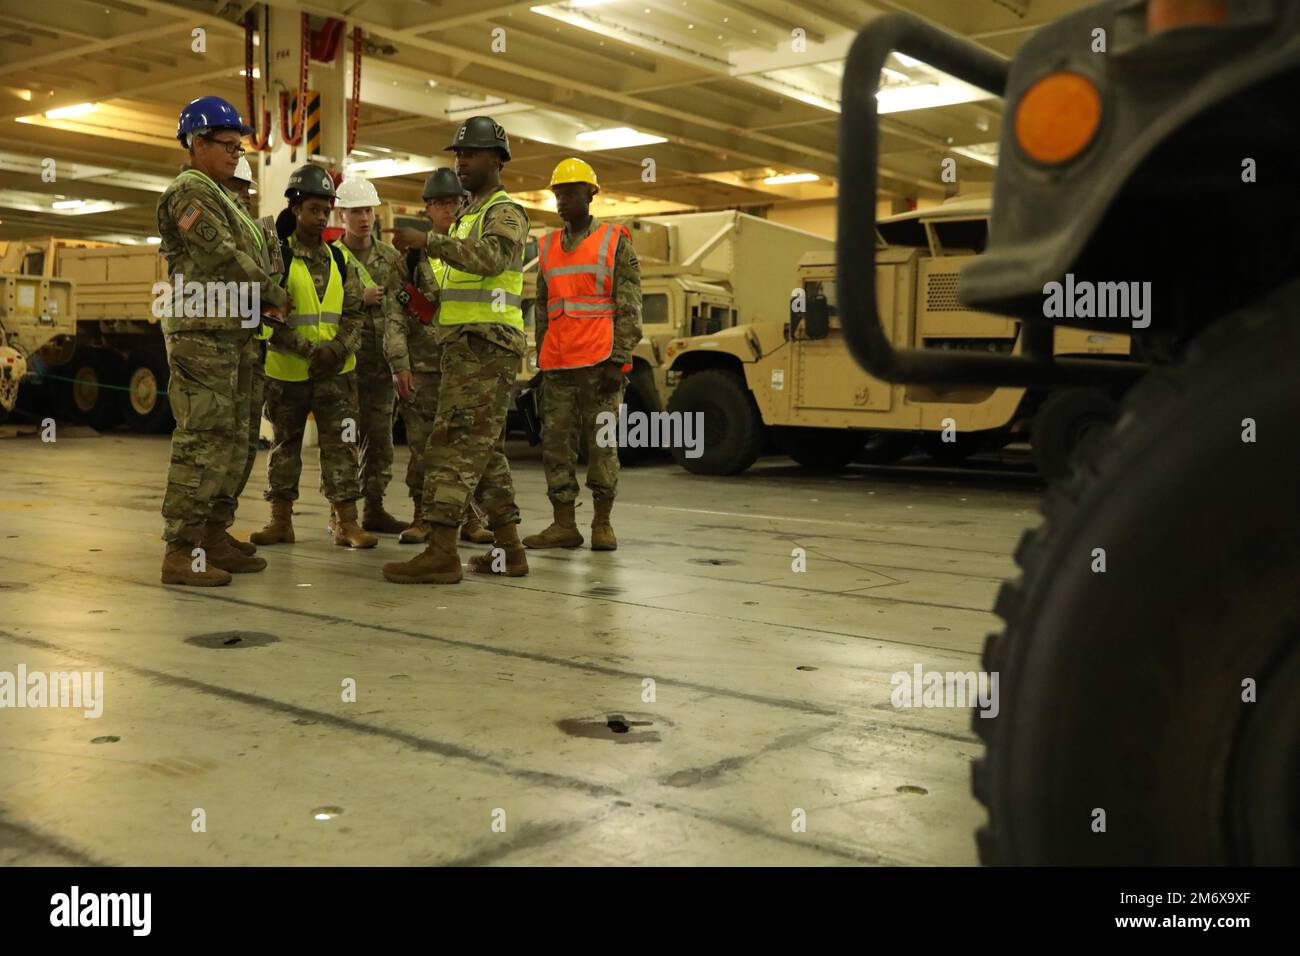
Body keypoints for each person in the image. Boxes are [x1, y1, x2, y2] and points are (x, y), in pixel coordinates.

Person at [382, 116, 529, 584]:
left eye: (471, 153)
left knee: (450, 445)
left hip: (488, 344)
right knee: (481, 451)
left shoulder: (503, 212)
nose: (461, 161)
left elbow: (493, 259)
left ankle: (442, 550)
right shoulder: (468, 216)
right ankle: (511, 550)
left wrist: (432, 242)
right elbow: (456, 294)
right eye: (458, 154)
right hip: (464, 345)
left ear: (498, 160)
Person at [157, 95, 288, 586]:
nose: (236, 153)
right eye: (227, 144)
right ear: (197, 143)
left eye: (239, 145)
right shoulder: (188, 193)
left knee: (236, 441)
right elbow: (222, 256)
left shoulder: (226, 197)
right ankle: (180, 549)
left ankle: (212, 535)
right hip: (202, 339)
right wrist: (273, 294)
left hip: (236, 338)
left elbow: (247, 256)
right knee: (202, 441)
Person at [248, 164, 377, 549]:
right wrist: (309, 351)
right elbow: (266, 316)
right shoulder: (278, 261)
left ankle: (346, 523)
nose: (320, 217)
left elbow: (355, 312)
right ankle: (279, 521)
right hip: (288, 373)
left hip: (337, 374)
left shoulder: (339, 260)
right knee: (285, 446)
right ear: (295, 209)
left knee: (341, 445)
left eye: (325, 210)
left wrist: (336, 349)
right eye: (313, 209)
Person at [524, 158, 641, 552]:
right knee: (555, 446)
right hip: (558, 367)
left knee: (603, 448)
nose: (561, 201)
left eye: (570, 193)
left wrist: (618, 359)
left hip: (599, 365)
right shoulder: (547, 246)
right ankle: (563, 525)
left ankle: (602, 525)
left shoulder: (614, 240)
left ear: (590, 195)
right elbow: (543, 307)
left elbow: (629, 305)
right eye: (557, 194)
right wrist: (541, 360)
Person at [388, 168, 494, 547]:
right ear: (427, 209)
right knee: (423, 448)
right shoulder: (412, 259)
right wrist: (399, 363)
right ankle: (423, 515)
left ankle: (471, 517)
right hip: (425, 368)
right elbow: (395, 315)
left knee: (466, 446)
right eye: (440, 204)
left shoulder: (470, 252)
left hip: (466, 365)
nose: (448, 210)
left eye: (454, 202)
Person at [331, 175, 410, 535]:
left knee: (380, 440)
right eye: (355, 211)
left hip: (380, 367)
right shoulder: (331, 258)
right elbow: (318, 307)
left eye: (368, 210)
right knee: (343, 440)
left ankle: (374, 508)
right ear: (341, 215)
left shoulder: (391, 258)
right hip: (344, 367)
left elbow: (401, 312)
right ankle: (341, 513)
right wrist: (355, 299)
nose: (364, 218)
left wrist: (400, 362)